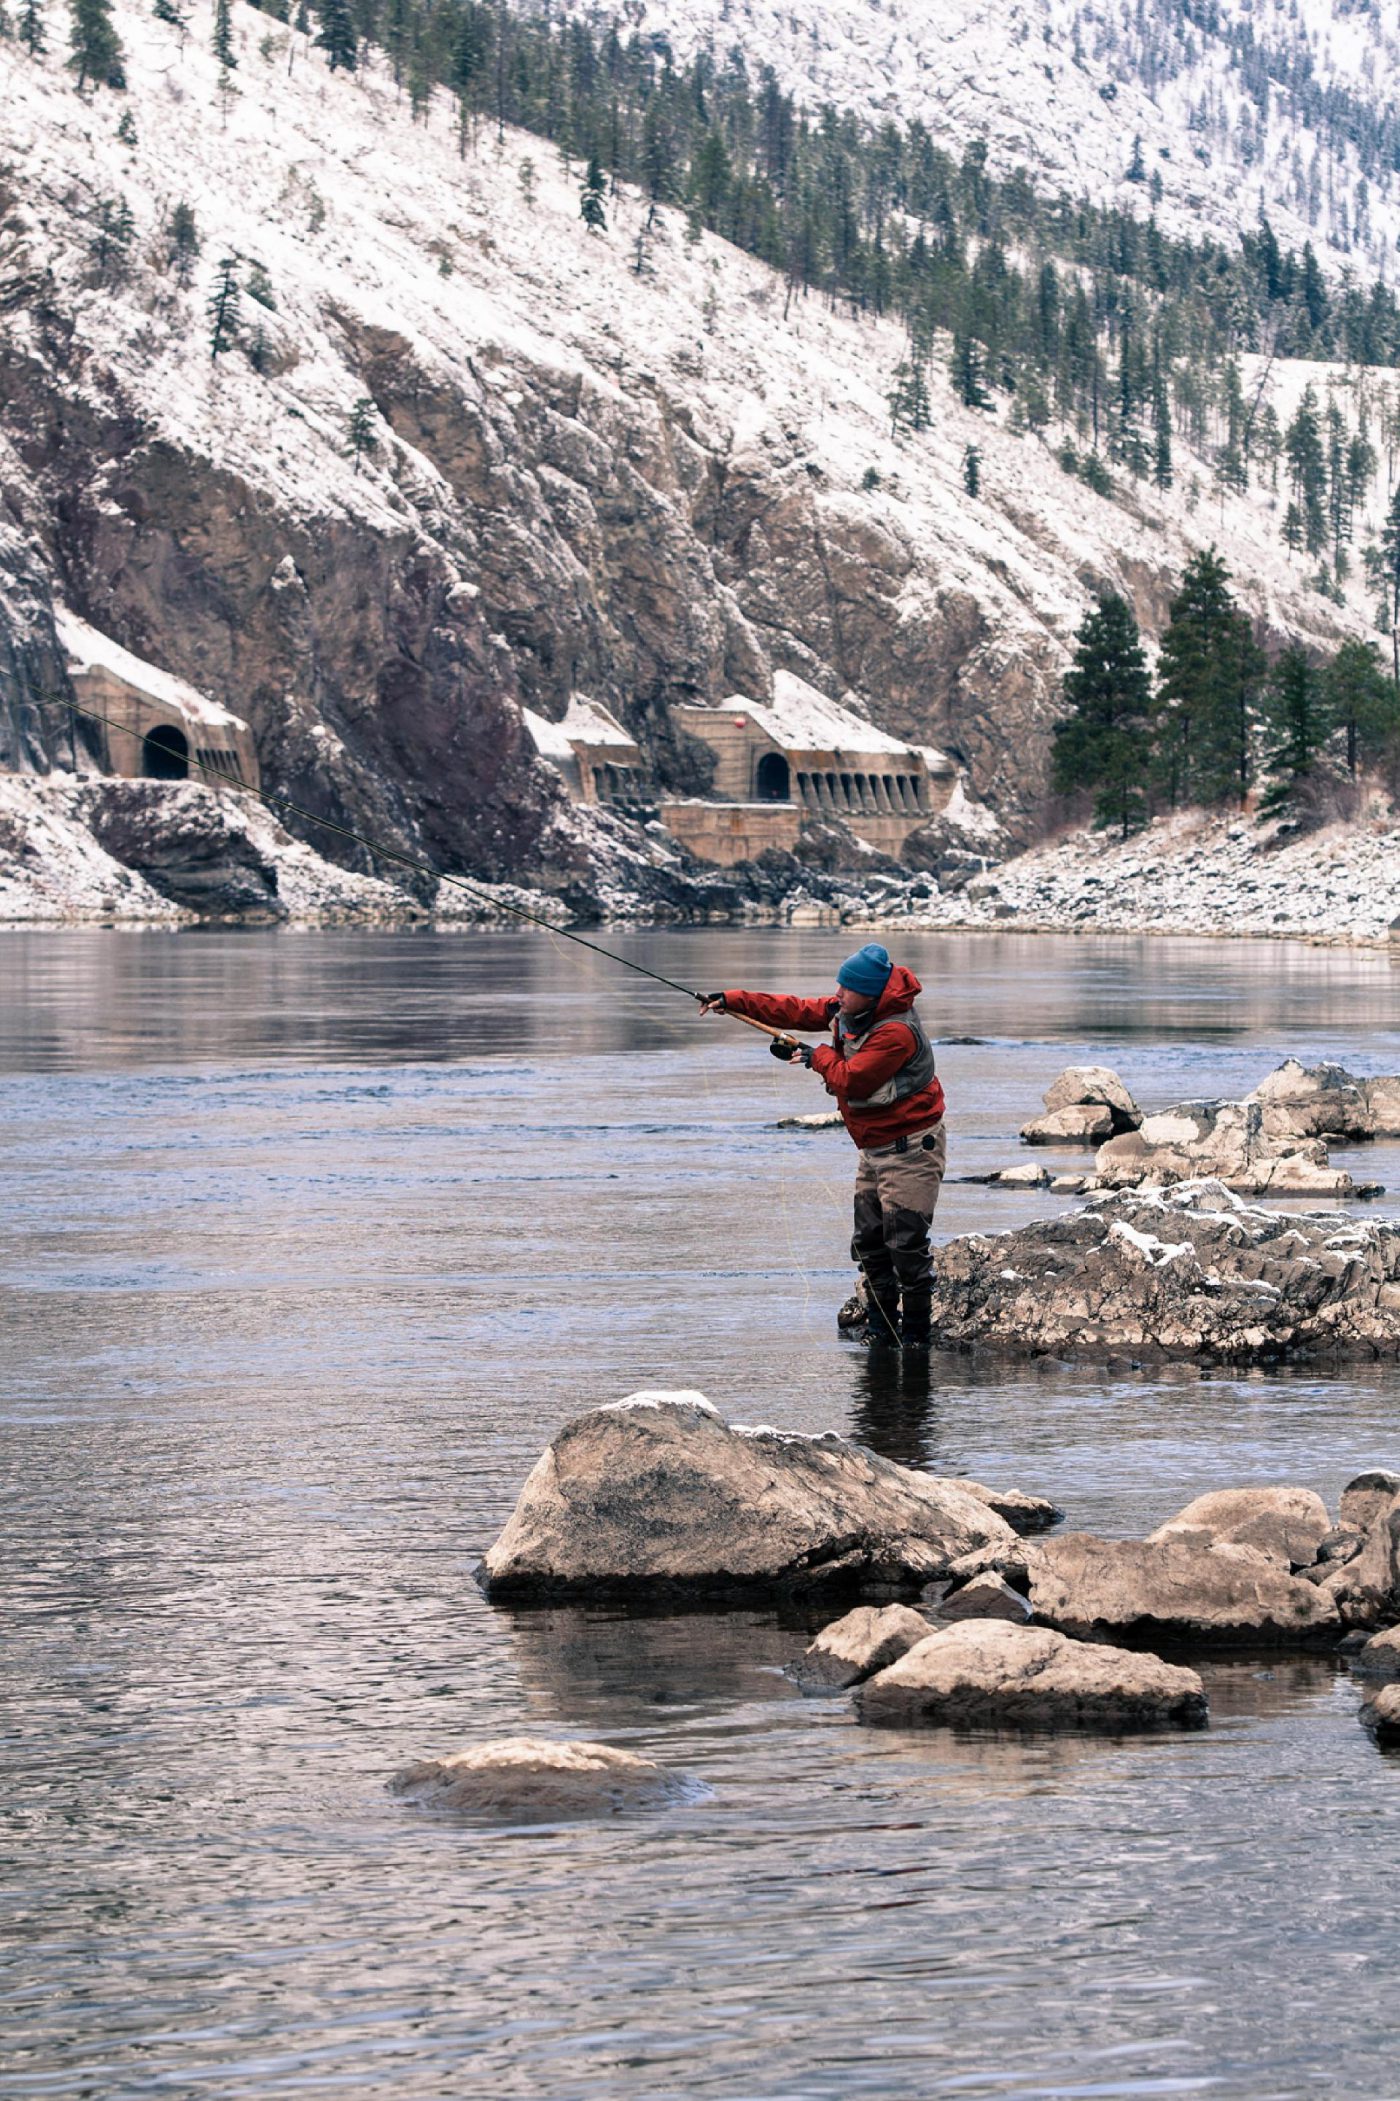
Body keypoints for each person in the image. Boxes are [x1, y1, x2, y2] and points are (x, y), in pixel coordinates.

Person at [701, 944, 945, 1353]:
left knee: (906, 1245)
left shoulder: (896, 1032)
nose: (838, 993)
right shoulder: (850, 1010)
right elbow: (794, 1010)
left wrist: (816, 1056)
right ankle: (883, 1333)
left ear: (870, 993)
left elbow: (852, 1079)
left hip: (911, 1149)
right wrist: (732, 1000)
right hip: (875, 1147)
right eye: (839, 985)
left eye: (847, 988)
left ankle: (917, 1340)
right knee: (869, 1242)